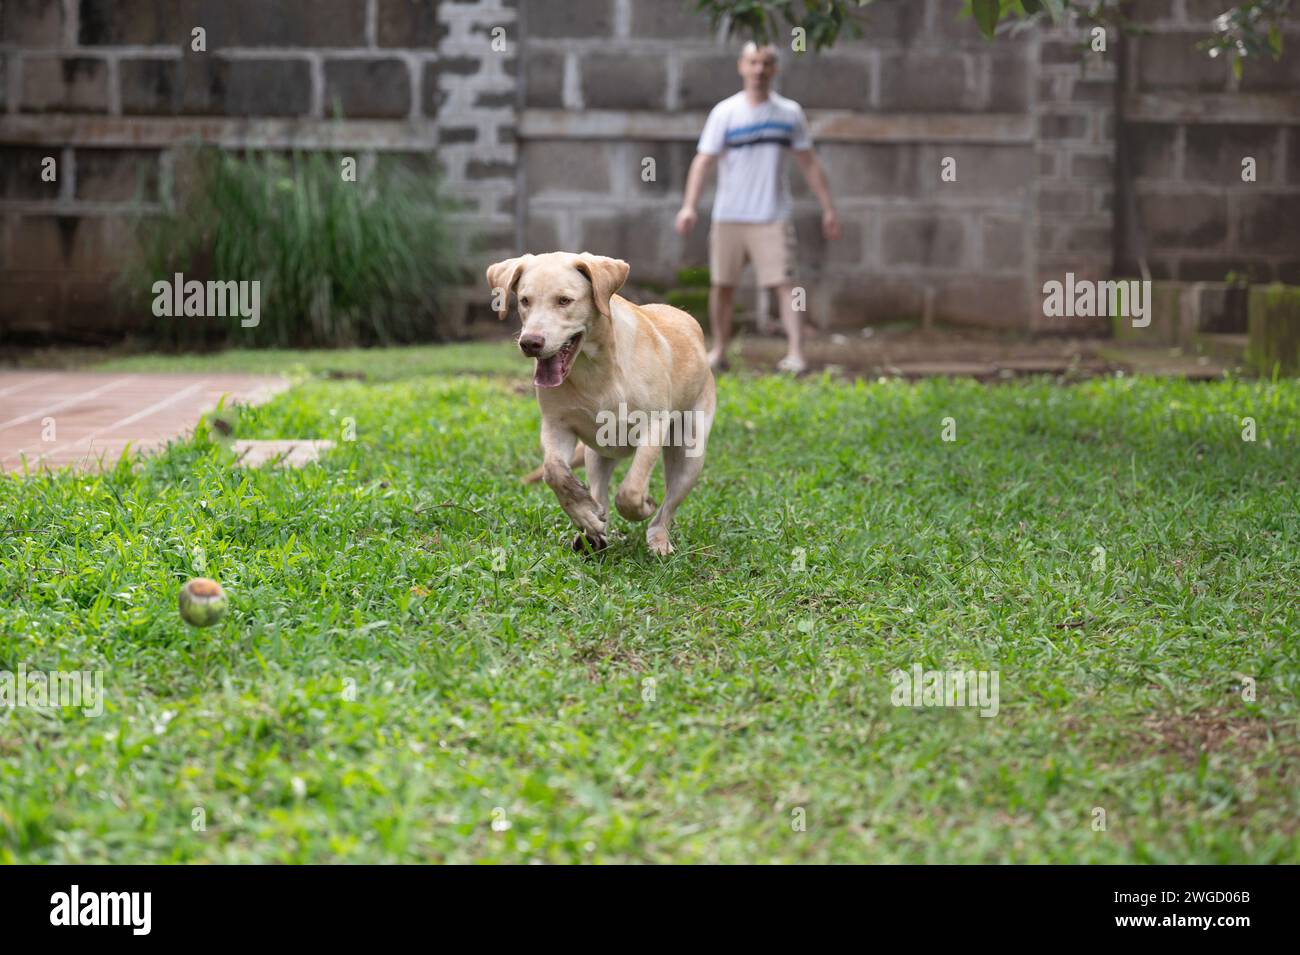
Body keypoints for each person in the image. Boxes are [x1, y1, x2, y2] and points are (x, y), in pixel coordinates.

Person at [675, 41, 840, 374]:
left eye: (766, 63)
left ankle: (796, 353)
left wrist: (828, 208)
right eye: (753, 62)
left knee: (787, 286)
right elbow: (703, 161)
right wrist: (689, 206)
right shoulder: (725, 113)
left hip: (772, 217)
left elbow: (809, 163)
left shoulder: (789, 113)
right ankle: (719, 350)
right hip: (729, 217)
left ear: (775, 69)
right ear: (742, 66)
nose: (759, 70)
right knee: (722, 285)